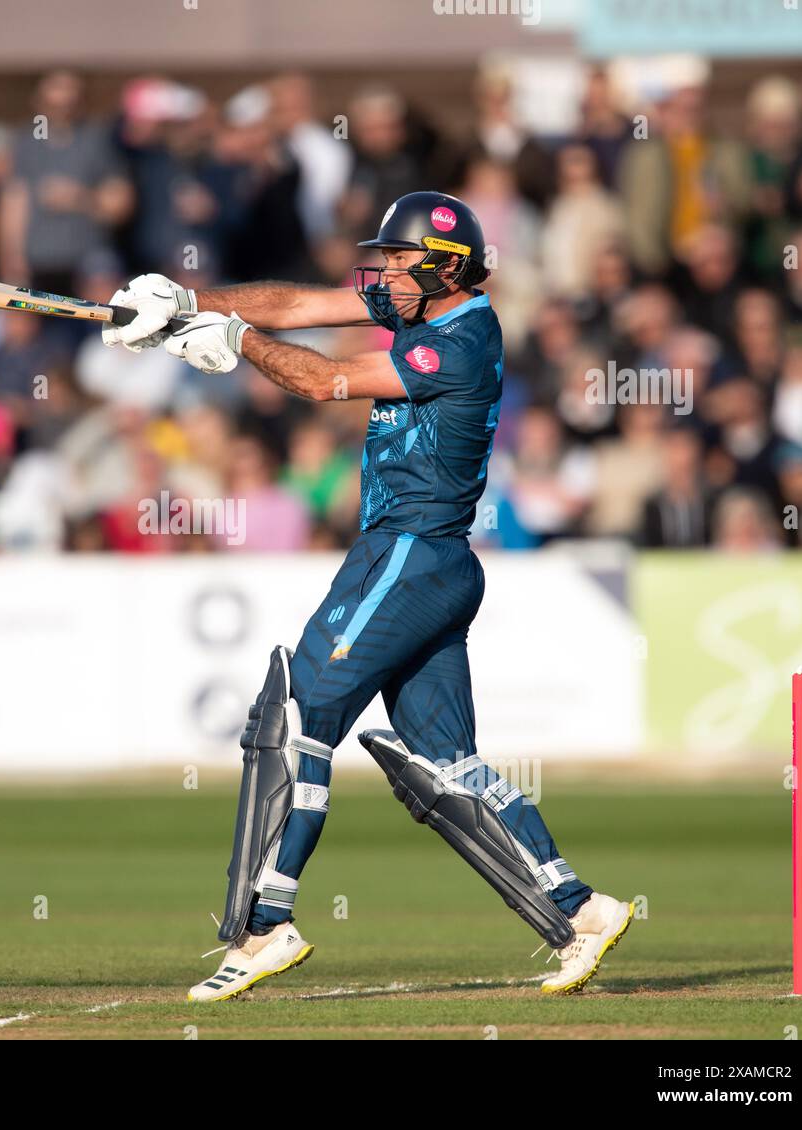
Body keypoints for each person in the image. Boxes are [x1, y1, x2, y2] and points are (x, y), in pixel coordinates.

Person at [103, 191, 635, 1002]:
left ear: (443, 266)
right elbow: (299, 304)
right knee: (441, 764)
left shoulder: (461, 340)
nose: (382, 272)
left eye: (396, 258)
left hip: (409, 553)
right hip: (431, 564)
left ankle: (261, 925)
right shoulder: (417, 305)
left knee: (294, 716)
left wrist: (236, 342)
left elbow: (323, 382)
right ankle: (580, 910)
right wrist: (186, 305)